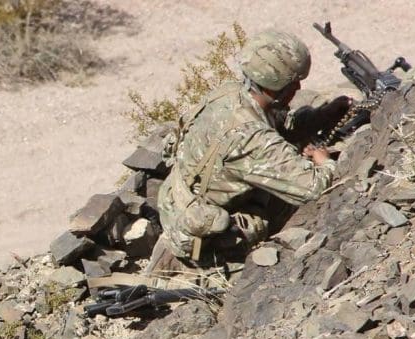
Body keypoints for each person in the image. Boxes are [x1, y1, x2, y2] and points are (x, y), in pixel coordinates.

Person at [146, 29, 353, 273]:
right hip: (207, 236)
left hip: (180, 201)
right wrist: (324, 161)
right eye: (294, 81)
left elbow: (279, 127)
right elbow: (315, 187)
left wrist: (321, 117)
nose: (298, 86)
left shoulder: (230, 93)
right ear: (276, 83)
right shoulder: (250, 138)